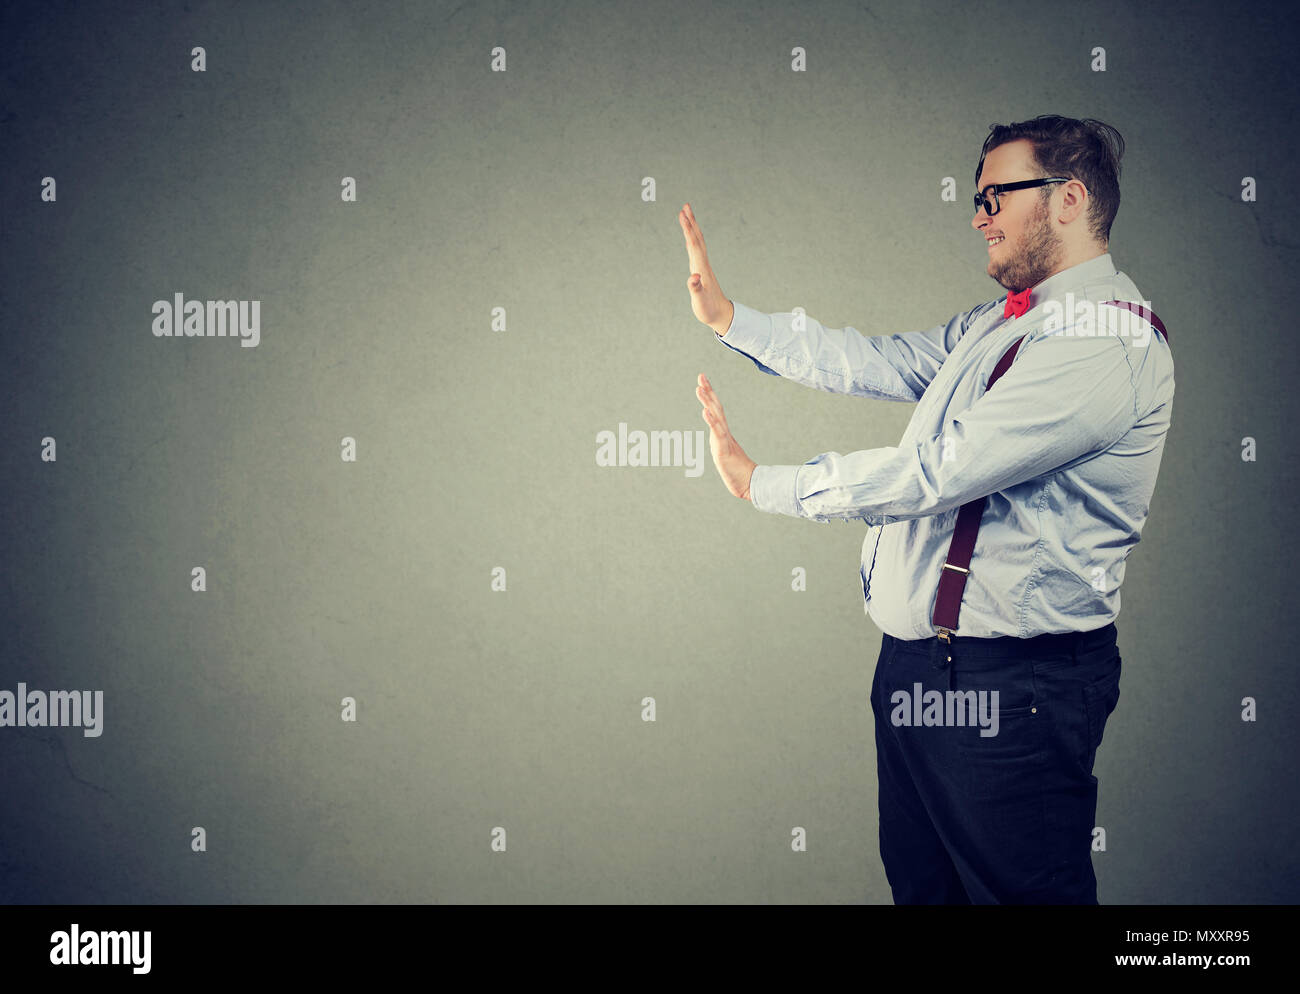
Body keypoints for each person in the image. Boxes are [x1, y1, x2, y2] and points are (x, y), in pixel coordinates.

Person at [680, 115, 1174, 904]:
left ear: (1071, 199)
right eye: (976, 197)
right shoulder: (999, 324)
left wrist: (761, 483)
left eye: (996, 195)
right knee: (927, 893)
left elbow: (940, 471)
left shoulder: (1105, 342)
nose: (977, 213)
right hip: (919, 668)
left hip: (1016, 684)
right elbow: (876, 360)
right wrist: (731, 320)